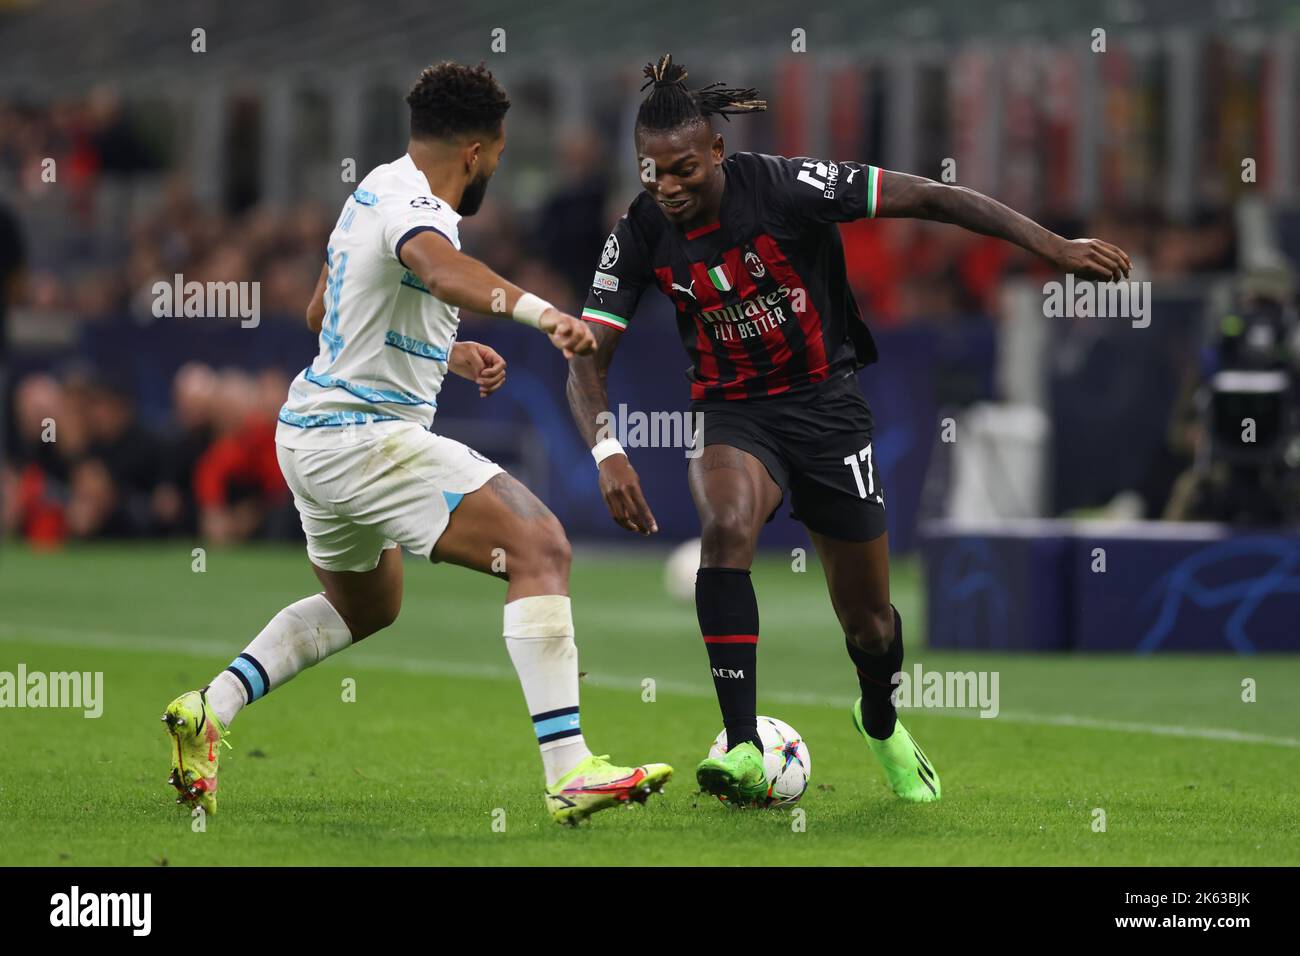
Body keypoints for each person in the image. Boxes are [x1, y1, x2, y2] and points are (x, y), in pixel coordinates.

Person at [567, 55, 1130, 805]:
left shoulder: (787, 187)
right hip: (734, 412)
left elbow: (932, 198)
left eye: (683, 170)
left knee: (869, 622)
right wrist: (608, 450)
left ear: (717, 155)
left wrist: (1052, 248)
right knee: (727, 527)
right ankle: (740, 747)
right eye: (651, 171)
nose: (667, 186)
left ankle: (879, 715)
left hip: (827, 407)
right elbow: (584, 355)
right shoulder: (638, 233)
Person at [162, 61, 671, 825]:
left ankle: (212, 706)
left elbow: (320, 314)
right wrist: (541, 314)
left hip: (308, 437)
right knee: (541, 546)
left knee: (367, 605)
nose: (494, 169)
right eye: (497, 156)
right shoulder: (416, 207)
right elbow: (438, 267)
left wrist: (442, 349)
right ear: (477, 150)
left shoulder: (371, 188)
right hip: (361, 438)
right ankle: (570, 771)